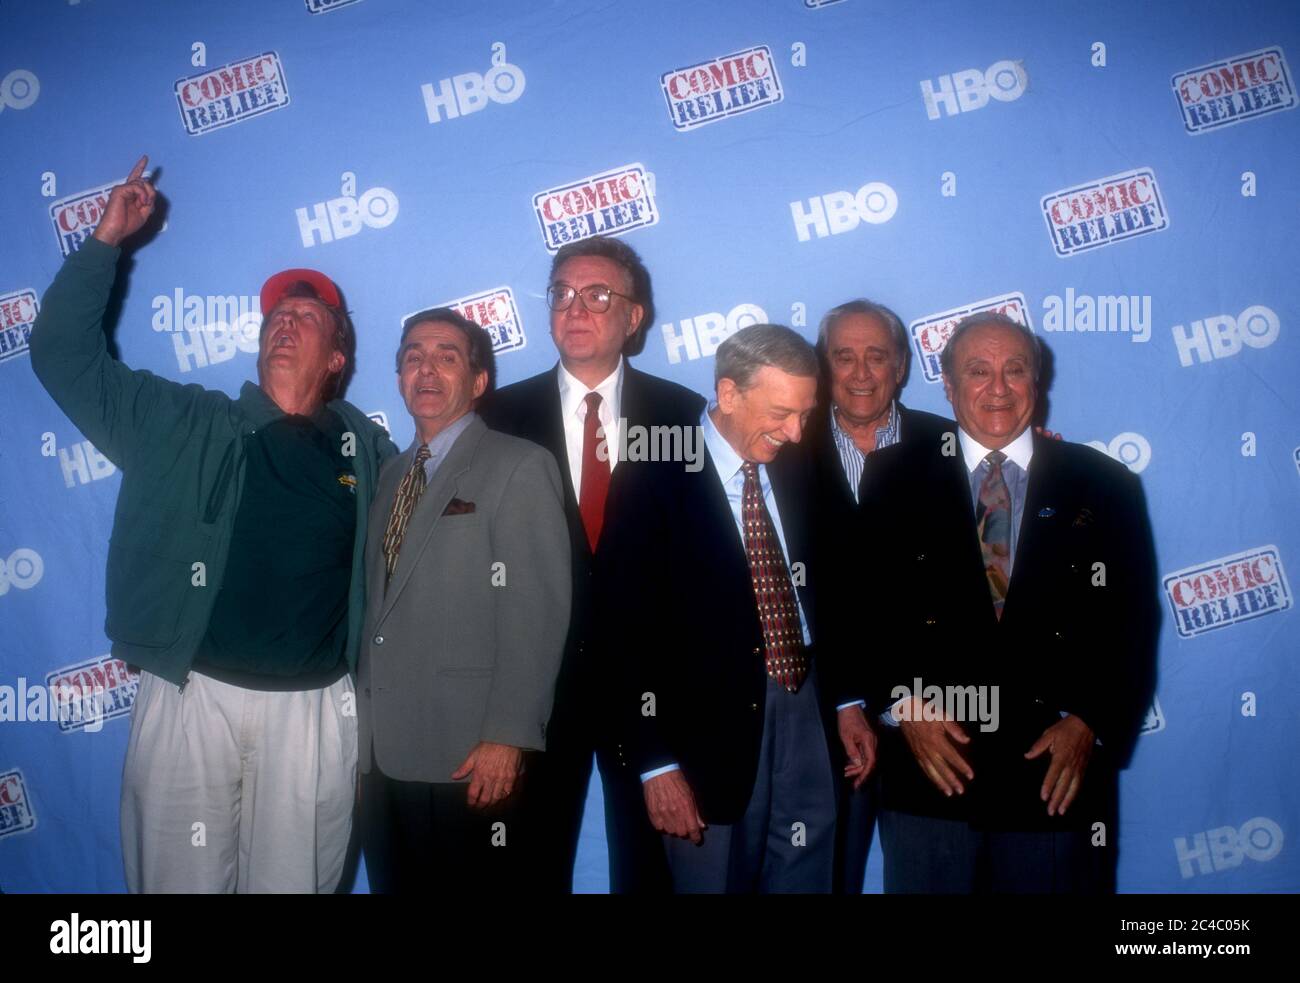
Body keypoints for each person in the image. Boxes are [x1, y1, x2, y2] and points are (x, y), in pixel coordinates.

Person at [29, 156, 398, 893]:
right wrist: (106, 241)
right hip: (190, 698)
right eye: (276, 318)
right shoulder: (181, 420)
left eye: (307, 318)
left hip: (316, 714)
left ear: (337, 356)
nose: (285, 326)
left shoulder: (370, 450)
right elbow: (61, 355)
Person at [860, 312, 1159, 893]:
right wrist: (901, 705)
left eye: (1014, 370)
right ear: (947, 386)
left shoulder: (1106, 484)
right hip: (933, 775)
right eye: (978, 371)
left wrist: (1089, 721)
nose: (998, 387)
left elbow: (1133, 623)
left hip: (1053, 777)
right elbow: (863, 609)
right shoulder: (892, 476)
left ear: (1036, 382)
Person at [478, 236, 703, 893]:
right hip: (533, 690)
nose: (575, 308)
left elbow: (699, 564)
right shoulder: (496, 417)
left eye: (598, 294)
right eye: (562, 294)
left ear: (634, 318)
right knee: (523, 868)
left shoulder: (683, 415)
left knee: (653, 873)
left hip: (653, 692)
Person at [595, 324, 839, 893]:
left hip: (804, 708)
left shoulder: (801, 464)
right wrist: (655, 763)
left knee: (807, 871)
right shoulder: (651, 476)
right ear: (728, 394)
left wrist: (848, 700)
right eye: (781, 412)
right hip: (703, 735)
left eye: (805, 414)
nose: (797, 432)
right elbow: (620, 633)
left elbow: (831, 593)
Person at [356, 308, 570, 893]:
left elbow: (537, 610)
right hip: (378, 755)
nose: (426, 369)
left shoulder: (519, 465)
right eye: (412, 357)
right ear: (398, 377)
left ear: (478, 382)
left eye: (446, 356)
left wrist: (508, 734)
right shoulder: (386, 476)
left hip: (469, 754)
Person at [802, 299, 953, 893]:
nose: (861, 373)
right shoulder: (783, 449)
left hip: (933, 709)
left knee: (936, 876)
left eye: (877, 357)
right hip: (822, 710)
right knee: (824, 875)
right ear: (823, 366)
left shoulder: (954, 446)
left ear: (901, 367)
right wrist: (844, 699)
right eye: (844, 357)